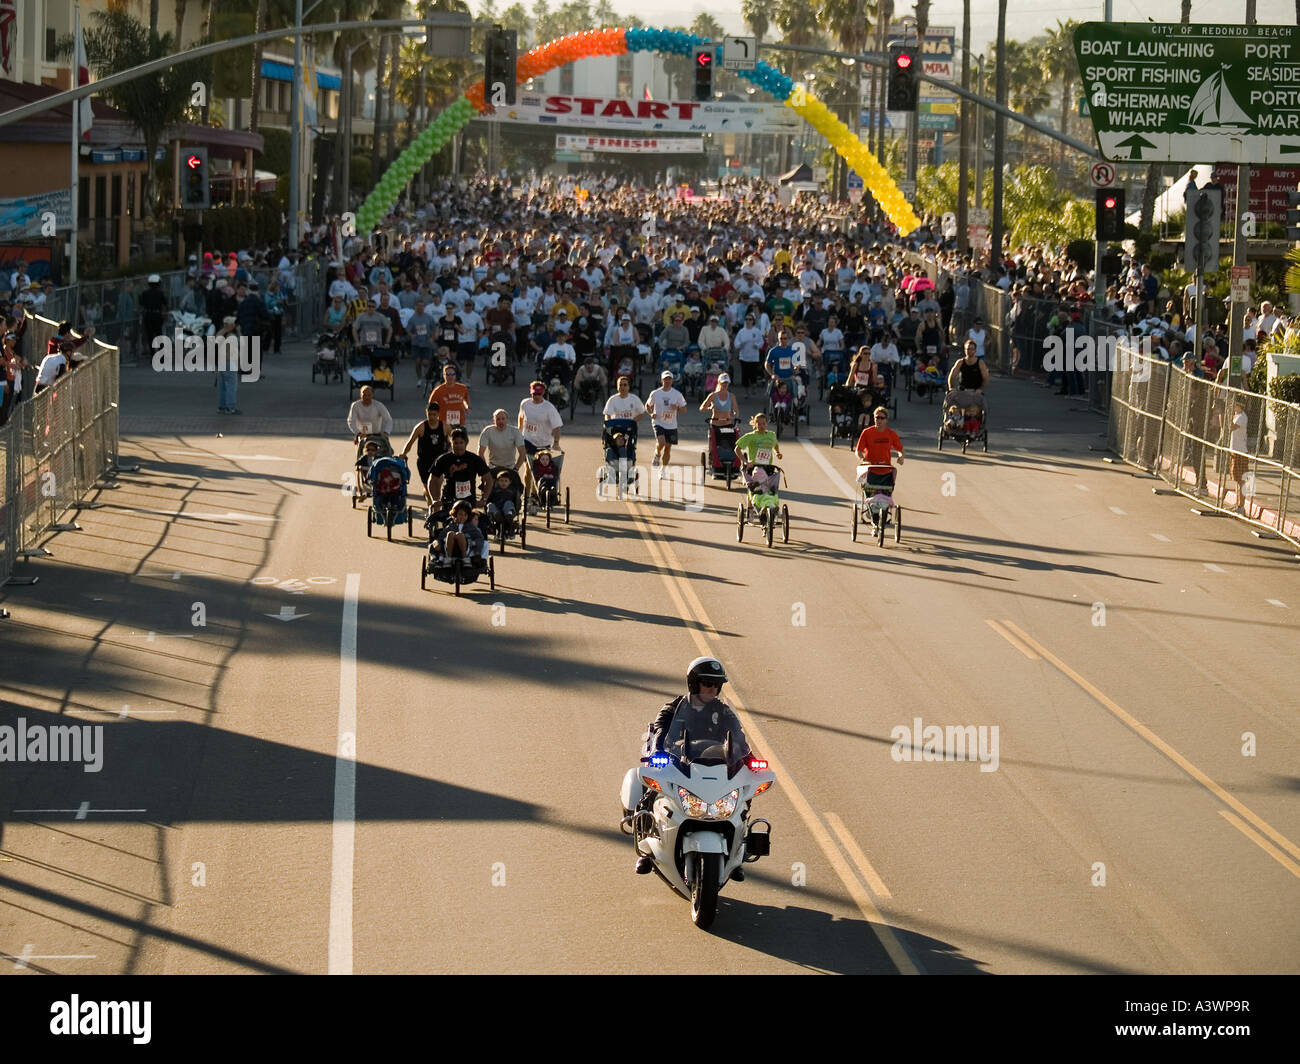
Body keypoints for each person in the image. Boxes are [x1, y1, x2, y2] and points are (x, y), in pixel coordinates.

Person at [631, 657, 753, 875]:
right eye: (707, 683)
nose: (712, 688)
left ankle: (737, 852)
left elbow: (738, 736)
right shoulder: (673, 708)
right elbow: (660, 731)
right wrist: (658, 751)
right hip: (679, 763)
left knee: (742, 796)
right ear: (694, 683)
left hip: (716, 765)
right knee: (650, 794)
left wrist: (749, 757)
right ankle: (646, 850)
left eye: (717, 684)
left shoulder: (724, 711)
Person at [428, 427, 492, 518]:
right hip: (449, 501)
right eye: (456, 443)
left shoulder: (474, 459)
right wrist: (434, 499)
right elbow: (432, 480)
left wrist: (484, 499)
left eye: (461, 443)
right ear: (451, 443)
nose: (458, 446)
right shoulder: (443, 459)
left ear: (466, 443)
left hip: (469, 502)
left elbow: (489, 480)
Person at [400, 400, 450, 507]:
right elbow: (410, 443)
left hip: (439, 462)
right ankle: (430, 502)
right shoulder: (420, 427)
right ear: (426, 413)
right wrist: (403, 453)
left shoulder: (445, 427)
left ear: (438, 414)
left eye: (434, 415)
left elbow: (453, 440)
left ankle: (435, 508)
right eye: (429, 414)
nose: (431, 417)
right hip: (424, 462)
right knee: (428, 489)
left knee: (437, 487)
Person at [854, 406, 904, 495]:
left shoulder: (891, 434)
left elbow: (901, 450)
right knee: (869, 495)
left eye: (882, 418)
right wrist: (863, 460)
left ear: (886, 420)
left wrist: (901, 457)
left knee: (886, 495)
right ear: (874, 418)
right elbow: (858, 451)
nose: (879, 420)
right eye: (877, 417)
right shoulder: (867, 432)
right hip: (870, 469)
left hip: (886, 470)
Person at [646, 369, 688, 474]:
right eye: (665, 379)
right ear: (662, 380)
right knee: (661, 442)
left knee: (668, 448)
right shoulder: (655, 393)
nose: (667, 381)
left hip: (671, 425)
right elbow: (647, 405)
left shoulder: (677, 394)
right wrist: (651, 413)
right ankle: (657, 453)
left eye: (669, 379)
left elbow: (684, 410)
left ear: (672, 381)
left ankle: (663, 470)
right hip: (658, 422)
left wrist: (677, 408)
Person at [734, 411, 783, 495]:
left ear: (766, 424)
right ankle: (751, 501)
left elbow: (775, 444)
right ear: (755, 424)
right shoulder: (750, 436)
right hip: (754, 467)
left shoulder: (771, 435)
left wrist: (777, 452)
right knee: (755, 487)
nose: (761, 426)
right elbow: (737, 449)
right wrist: (746, 462)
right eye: (759, 424)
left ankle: (766, 498)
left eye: (763, 423)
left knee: (771, 486)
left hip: (767, 467)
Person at [478, 407, 528, 473]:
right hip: (493, 466)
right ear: (494, 420)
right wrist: (485, 469)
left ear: (507, 420)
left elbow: (522, 452)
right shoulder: (487, 431)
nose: (501, 421)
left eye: (503, 419)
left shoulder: (515, 431)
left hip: (510, 467)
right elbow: (480, 452)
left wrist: (516, 469)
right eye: (498, 419)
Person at [212, 316, 242, 414]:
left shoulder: (220, 334)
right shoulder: (231, 336)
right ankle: (230, 407)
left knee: (222, 386)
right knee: (231, 385)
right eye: (234, 324)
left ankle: (222, 406)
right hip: (229, 362)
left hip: (221, 362)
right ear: (231, 325)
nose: (236, 325)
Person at [429, 362, 470, 432]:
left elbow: (465, 400)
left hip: (459, 422)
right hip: (444, 422)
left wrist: (467, 407)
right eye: (447, 374)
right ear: (443, 375)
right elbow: (430, 406)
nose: (450, 376)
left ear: (455, 375)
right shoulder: (438, 390)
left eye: (452, 374)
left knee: (461, 438)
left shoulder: (463, 388)